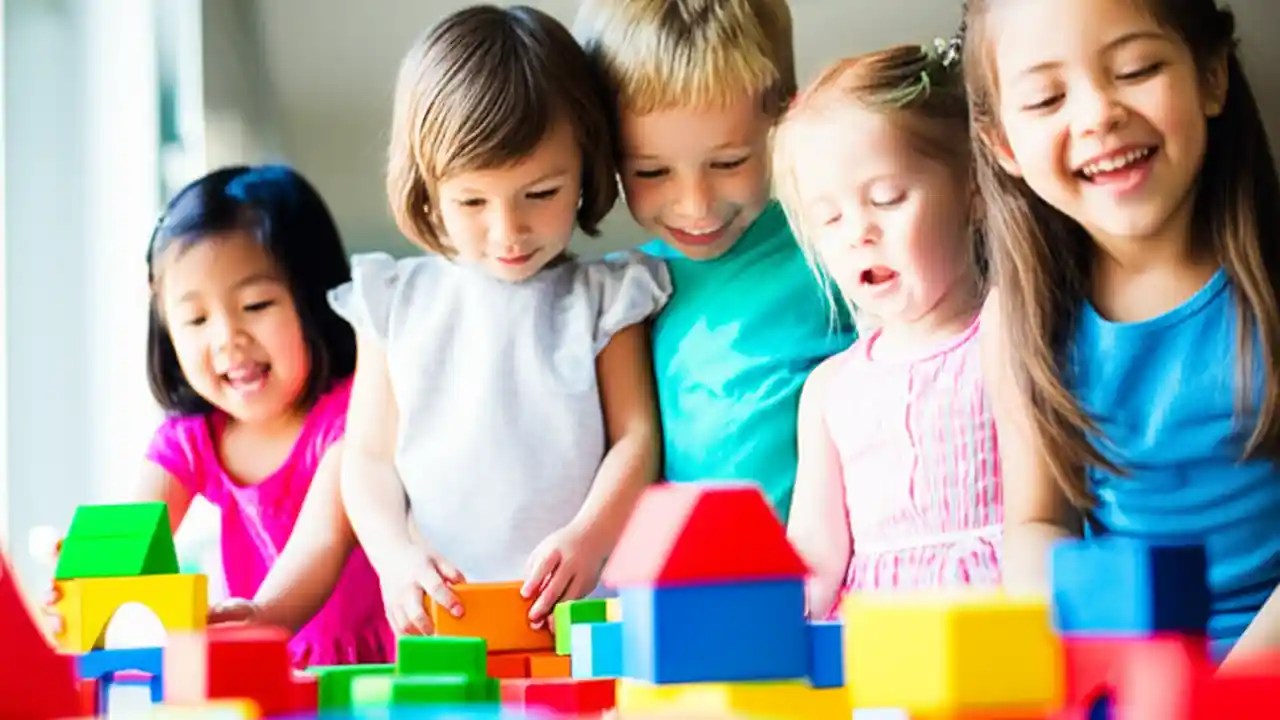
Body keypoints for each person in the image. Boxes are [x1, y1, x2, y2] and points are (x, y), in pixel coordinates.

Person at [331, 5, 669, 636]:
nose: (507, 230)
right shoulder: (395, 299)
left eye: (540, 194)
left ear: (585, 168)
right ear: (428, 189)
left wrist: (590, 538)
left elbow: (636, 438)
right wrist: (393, 558)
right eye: (472, 201)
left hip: (581, 613)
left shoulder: (605, 297)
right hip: (441, 616)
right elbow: (368, 458)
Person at [965, 0, 1280, 664]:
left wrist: (1221, 696)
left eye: (1135, 69)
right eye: (1047, 97)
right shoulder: (1022, 319)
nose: (1097, 114)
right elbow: (1037, 521)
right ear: (1004, 147)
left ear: (1213, 77)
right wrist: (1093, 663)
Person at [574, 0, 855, 522]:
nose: (696, 205)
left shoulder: (839, 247)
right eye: (652, 172)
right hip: (687, 591)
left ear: (787, 120)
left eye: (729, 162)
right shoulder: (622, 295)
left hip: (830, 586)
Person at [773, 43, 1001, 619]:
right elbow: (815, 558)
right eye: (830, 218)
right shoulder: (829, 392)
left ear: (973, 192)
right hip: (876, 646)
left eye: (886, 199)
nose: (859, 234)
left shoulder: (1008, 338)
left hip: (1000, 625)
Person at [137, 165, 391, 666]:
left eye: (255, 304)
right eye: (196, 318)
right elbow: (137, 531)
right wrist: (91, 575)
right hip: (265, 663)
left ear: (315, 300)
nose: (227, 338)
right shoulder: (191, 439)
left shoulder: (354, 413)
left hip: (370, 667)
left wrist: (263, 615)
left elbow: (324, 537)